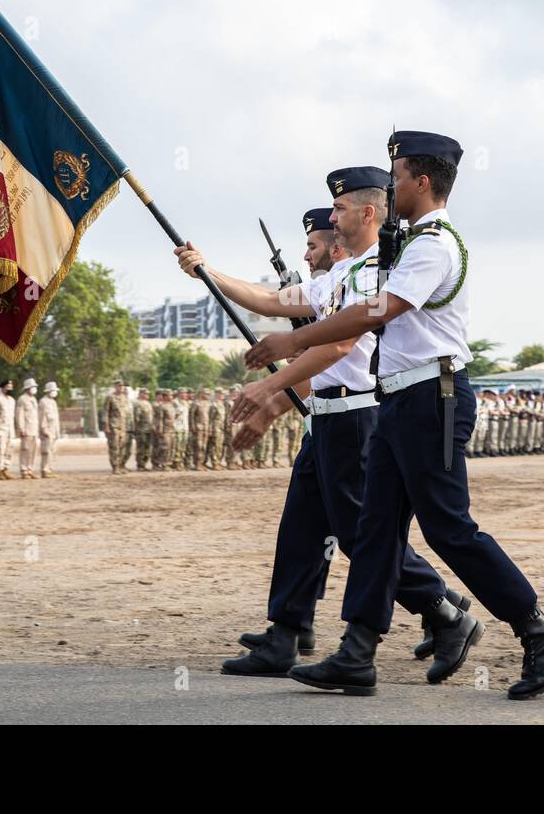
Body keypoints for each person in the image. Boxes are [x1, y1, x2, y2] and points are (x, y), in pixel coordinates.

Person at [243, 133, 544, 700]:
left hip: (435, 398)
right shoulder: (407, 243)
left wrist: (287, 347)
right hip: (399, 399)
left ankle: (539, 629)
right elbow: (352, 306)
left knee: (449, 528)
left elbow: (376, 312)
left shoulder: (435, 244)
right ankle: (357, 653)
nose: (392, 185)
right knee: (375, 530)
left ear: (422, 182)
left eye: (396, 176)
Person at [180, 185, 467, 680]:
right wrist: (207, 271)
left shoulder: (378, 270)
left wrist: (269, 388)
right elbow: (271, 300)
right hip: (325, 418)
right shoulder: (339, 274)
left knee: (362, 536)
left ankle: (443, 609)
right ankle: (285, 635)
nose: (332, 220)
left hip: (356, 417)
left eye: (339, 209)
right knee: (301, 531)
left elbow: (337, 347)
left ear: (368, 213)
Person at [103, 377, 130, 474]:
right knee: (114, 446)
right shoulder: (110, 397)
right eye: (119, 386)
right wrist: (106, 426)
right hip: (113, 425)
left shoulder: (124, 398)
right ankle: (115, 466)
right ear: (116, 387)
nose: (121, 387)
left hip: (122, 425)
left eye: (122, 386)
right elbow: (105, 412)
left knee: (122, 446)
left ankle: (121, 465)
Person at [0, 379, 15, 480]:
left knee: (8, 450)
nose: (10, 389)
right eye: (8, 387)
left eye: (11, 387)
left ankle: (5, 469)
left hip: (9, 428)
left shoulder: (12, 400)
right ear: (3, 388)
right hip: (0, 428)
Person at [17, 378, 40, 479]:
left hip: (34, 429)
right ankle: (24, 470)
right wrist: (21, 428)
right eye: (32, 387)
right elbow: (19, 415)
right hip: (26, 428)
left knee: (33, 451)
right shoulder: (22, 399)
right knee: (25, 450)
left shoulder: (34, 399)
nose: (34, 389)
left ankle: (30, 469)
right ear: (27, 388)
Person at [39, 381, 61, 477]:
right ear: (48, 391)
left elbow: (56, 418)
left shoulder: (53, 402)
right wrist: (44, 429)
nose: (54, 392)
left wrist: (57, 431)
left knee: (52, 451)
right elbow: (42, 417)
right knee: (46, 451)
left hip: (54, 429)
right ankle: (44, 469)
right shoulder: (43, 401)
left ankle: (49, 469)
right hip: (47, 429)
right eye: (53, 390)